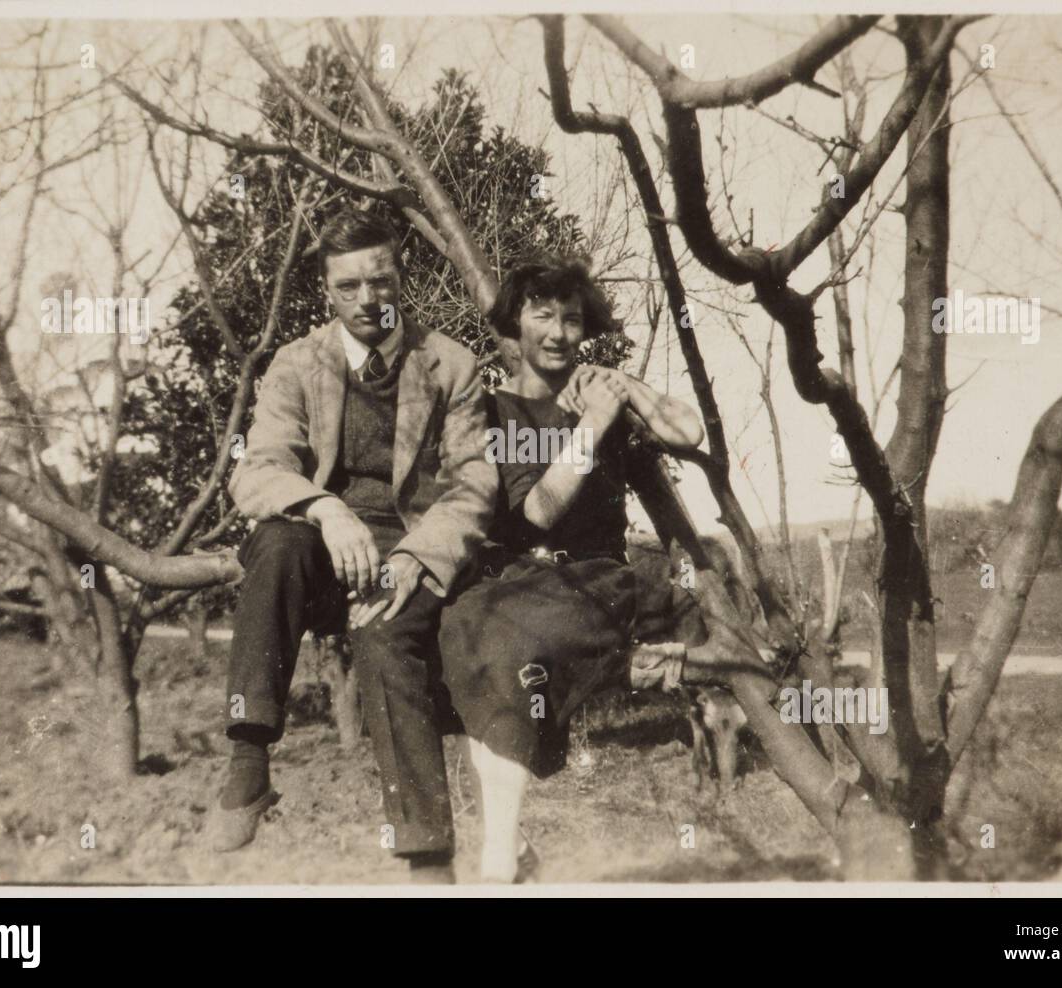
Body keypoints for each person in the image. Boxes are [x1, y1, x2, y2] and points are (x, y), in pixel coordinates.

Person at [211, 206, 496, 884]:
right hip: (322, 543)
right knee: (277, 546)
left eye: (381, 281)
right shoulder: (296, 363)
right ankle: (249, 760)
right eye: (349, 287)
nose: (369, 300)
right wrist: (325, 507)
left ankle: (427, 857)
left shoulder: (451, 365)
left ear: (402, 277)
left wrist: (413, 560)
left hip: (414, 551)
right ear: (327, 293)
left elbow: (476, 483)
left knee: (384, 640)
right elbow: (258, 471)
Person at [438, 257, 705, 882]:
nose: (559, 333)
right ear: (515, 327)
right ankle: (510, 843)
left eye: (573, 319)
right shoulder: (493, 410)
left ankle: (499, 858)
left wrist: (626, 388)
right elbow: (537, 509)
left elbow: (688, 433)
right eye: (543, 315)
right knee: (467, 629)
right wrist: (593, 423)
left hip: (592, 581)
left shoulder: (600, 401)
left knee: (504, 641)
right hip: (512, 583)